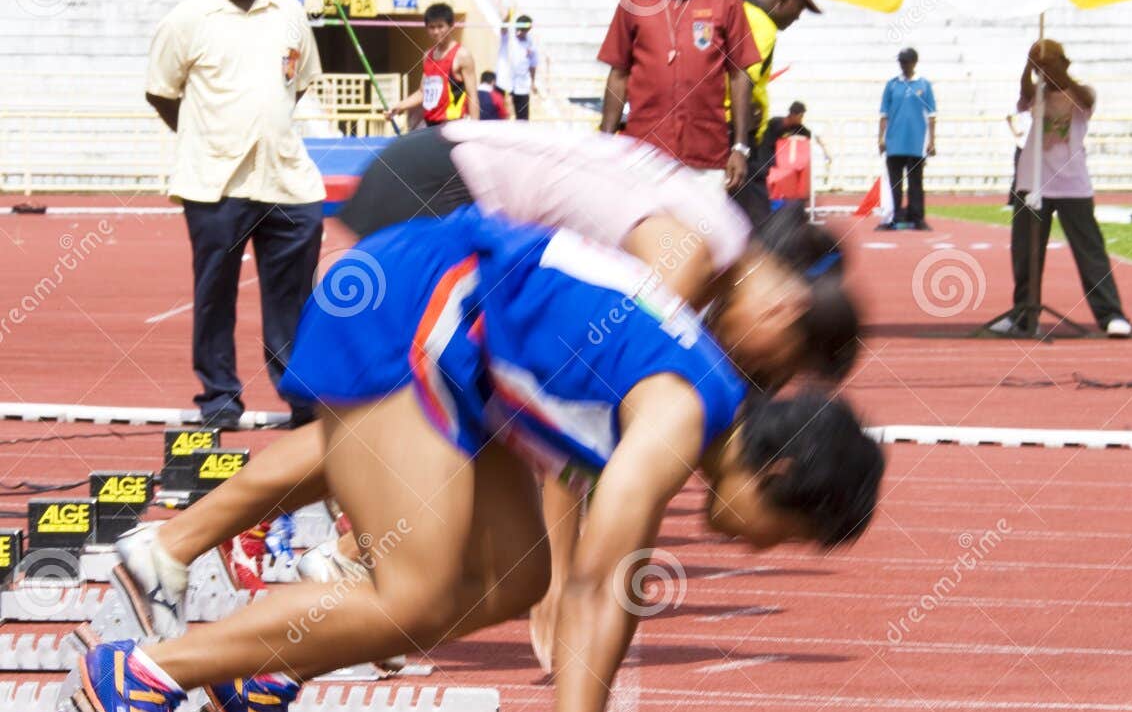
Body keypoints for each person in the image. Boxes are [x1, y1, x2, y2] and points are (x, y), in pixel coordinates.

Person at [74, 202, 884, 712]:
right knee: (418, 590)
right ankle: (144, 674)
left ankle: (259, 674)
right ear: (775, 476)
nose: (754, 547)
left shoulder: (697, 401)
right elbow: (605, 582)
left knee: (515, 575)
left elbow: (594, 576)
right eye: (775, 532)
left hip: (463, 355)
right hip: (402, 305)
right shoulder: (681, 414)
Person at [110, 124, 862, 643]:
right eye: (779, 360)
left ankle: (216, 553)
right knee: (404, 422)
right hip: (438, 192)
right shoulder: (688, 253)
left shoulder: (715, 243)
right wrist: (568, 586)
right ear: (783, 303)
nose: (760, 376)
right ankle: (296, 558)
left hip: (452, 207)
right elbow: (579, 407)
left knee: (413, 423)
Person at [144, 0, 325, 431]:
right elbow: (161, 91)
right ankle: (220, 397)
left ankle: (302, 398)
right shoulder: (189, 17)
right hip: (214, 185)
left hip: (286, 180)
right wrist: (204, 138)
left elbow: (301, 80)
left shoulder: (289, 10)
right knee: (215, 294)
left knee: (294, 297)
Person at [599, 0, 758, 194]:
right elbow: (618, 73)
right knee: (645, 235)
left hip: (706, 154)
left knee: (701, 237)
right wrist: (606, 141)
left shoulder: (726, 1)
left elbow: (739, 76)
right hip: (644, 154)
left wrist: (740, 147)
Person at [1003, 39, 1131, 338]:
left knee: (1089, 251)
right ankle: (1024, 315)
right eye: (1042, 66)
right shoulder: (1035, 94)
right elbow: (1023, 96)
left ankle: (1111, 314)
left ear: (1065, 64)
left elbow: (1084, 100)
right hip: (1032, 183)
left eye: (1051, 64)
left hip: (1072, 184)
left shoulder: (1081, 94)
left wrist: (1056, 70)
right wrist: (1029, 65)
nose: (1045, 71)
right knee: (1025, 252)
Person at [726, 0, 822, 224]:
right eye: (799, 8)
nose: (798, 17)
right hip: (736, 136)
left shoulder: (738, 11)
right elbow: (742, 77)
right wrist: (740, 145)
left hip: (724, 132)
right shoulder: (762, 25)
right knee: (758, 230)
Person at [388, 2, 478, 128]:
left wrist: (474, 129)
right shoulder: (427, 56)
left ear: (451, 26)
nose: (436, 32)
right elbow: (422, 92)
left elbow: (472, 95)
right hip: (430, 125)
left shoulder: (462, 56)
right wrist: (400, 106)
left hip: (452, 125)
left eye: (441, 26)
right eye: (431, 27)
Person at [878, 47, 936, 231]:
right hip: (895, 141)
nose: (902, 65)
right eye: (901, 62)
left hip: (916, 142)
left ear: (913, 62)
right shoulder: (892, 85)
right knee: (894, 183)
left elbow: (932, 114)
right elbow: (883, 114)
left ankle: (917, 217)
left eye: (905, 61)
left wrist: (932, 141)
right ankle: (893, 217)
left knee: (916, 183)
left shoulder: (924, 85)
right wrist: (881, 138)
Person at [499, 14, 539, 118]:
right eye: (519, 29)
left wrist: (533, 82)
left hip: (522, 85)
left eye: (524, 30)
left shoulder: (531, 43)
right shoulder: (508, 37)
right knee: (503, 116)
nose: (520, 32)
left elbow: (533, 65)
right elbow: (503, 27)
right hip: (504, 83)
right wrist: (508, 15)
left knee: (523, 119)